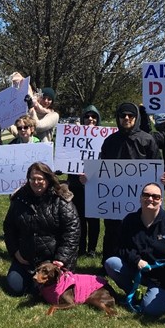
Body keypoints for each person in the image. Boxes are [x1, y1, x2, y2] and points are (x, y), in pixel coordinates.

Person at [103, 182, 165, 317]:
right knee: (111, 263)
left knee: (150, 310)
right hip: (141, 270)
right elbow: (121, 247)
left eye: (155, 197)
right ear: (140, 198)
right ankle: (133, 293)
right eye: (146, 195)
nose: (150, 199)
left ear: (161, 201)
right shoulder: (130, 220)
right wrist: (137, 261)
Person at [2, 162, 81, 296]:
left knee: (40, 292)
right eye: (33, 179)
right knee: (14, 288)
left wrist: (61, 259)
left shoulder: (61, 199)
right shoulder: (19, 199)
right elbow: (9, 228)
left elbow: (72, 231)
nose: (36, 182)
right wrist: (15, 252)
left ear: (48, 179)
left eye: (40, 179)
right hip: (25, 259)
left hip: (52, 262)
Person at [97, 102, 161, 259]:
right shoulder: (110, 141)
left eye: (130, 115)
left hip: (140, 195)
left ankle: (138, 261)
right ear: (118, 118)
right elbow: (101, 166)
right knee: (112, 229)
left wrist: (161, 177)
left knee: (138, 229)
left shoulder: (147, 140)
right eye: (123, 115)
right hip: (114, 196)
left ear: (136, 118)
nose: (126, 118)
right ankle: (109, 262)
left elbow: (156, 164)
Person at [66, 105, 103, 257]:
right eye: (87, 116)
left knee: (93, 218)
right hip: (76, 184)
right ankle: (81, 248)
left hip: (94, 184)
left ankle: (92, 249)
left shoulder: (104, 138)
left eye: (93, 117)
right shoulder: (75, 138)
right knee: (79, 217)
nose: (90, 119)